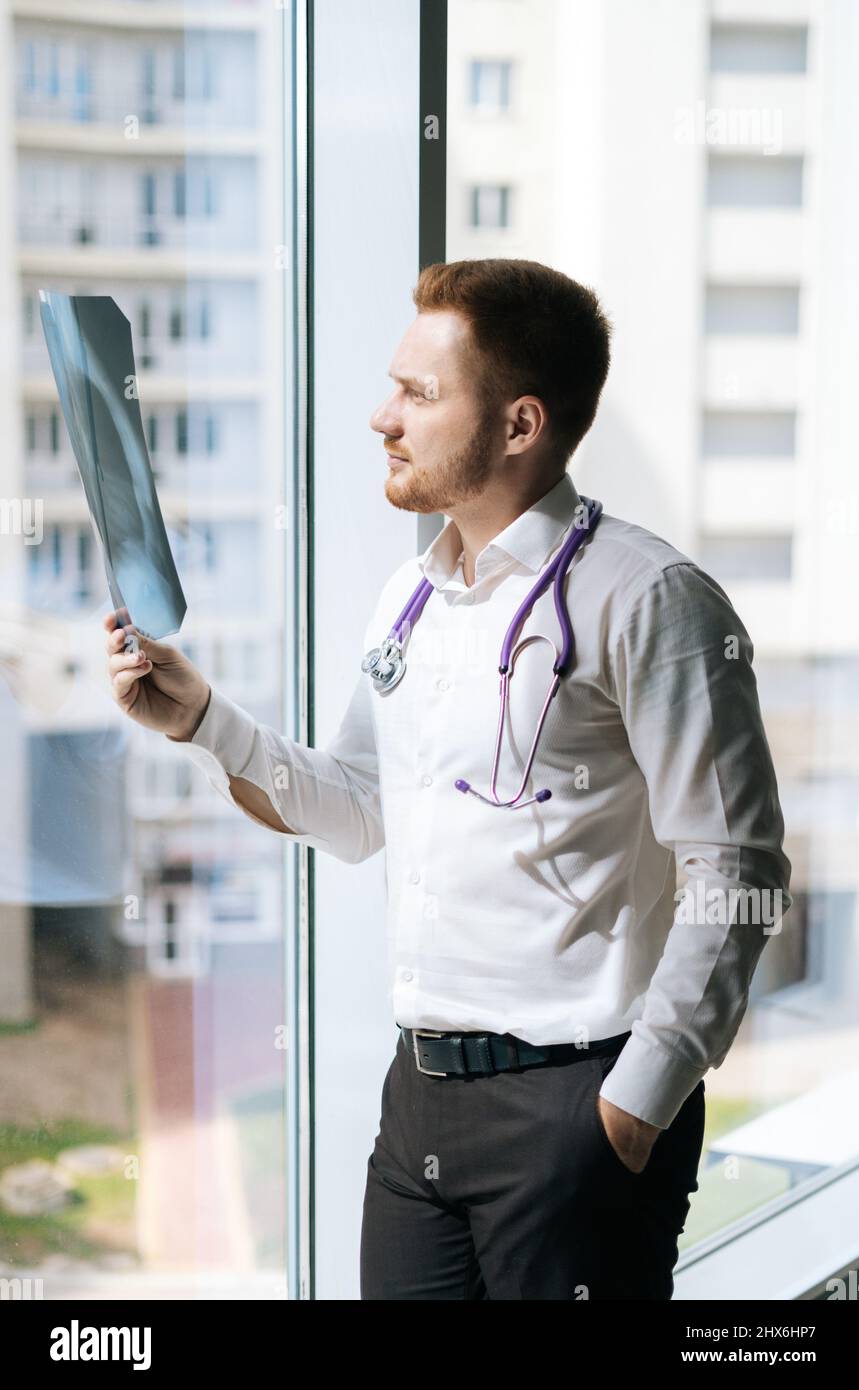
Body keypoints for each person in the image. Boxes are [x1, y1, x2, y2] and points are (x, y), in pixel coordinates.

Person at [105, 257, 793, 1300]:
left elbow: (735, 870)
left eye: (417, 394)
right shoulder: (411, 596)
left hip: (575, 1105)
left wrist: (635, 1102)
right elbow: (355, 806)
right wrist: (204, 722)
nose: (382, 417)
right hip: (420, 1098)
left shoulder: (648, 598)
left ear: (518, 425)